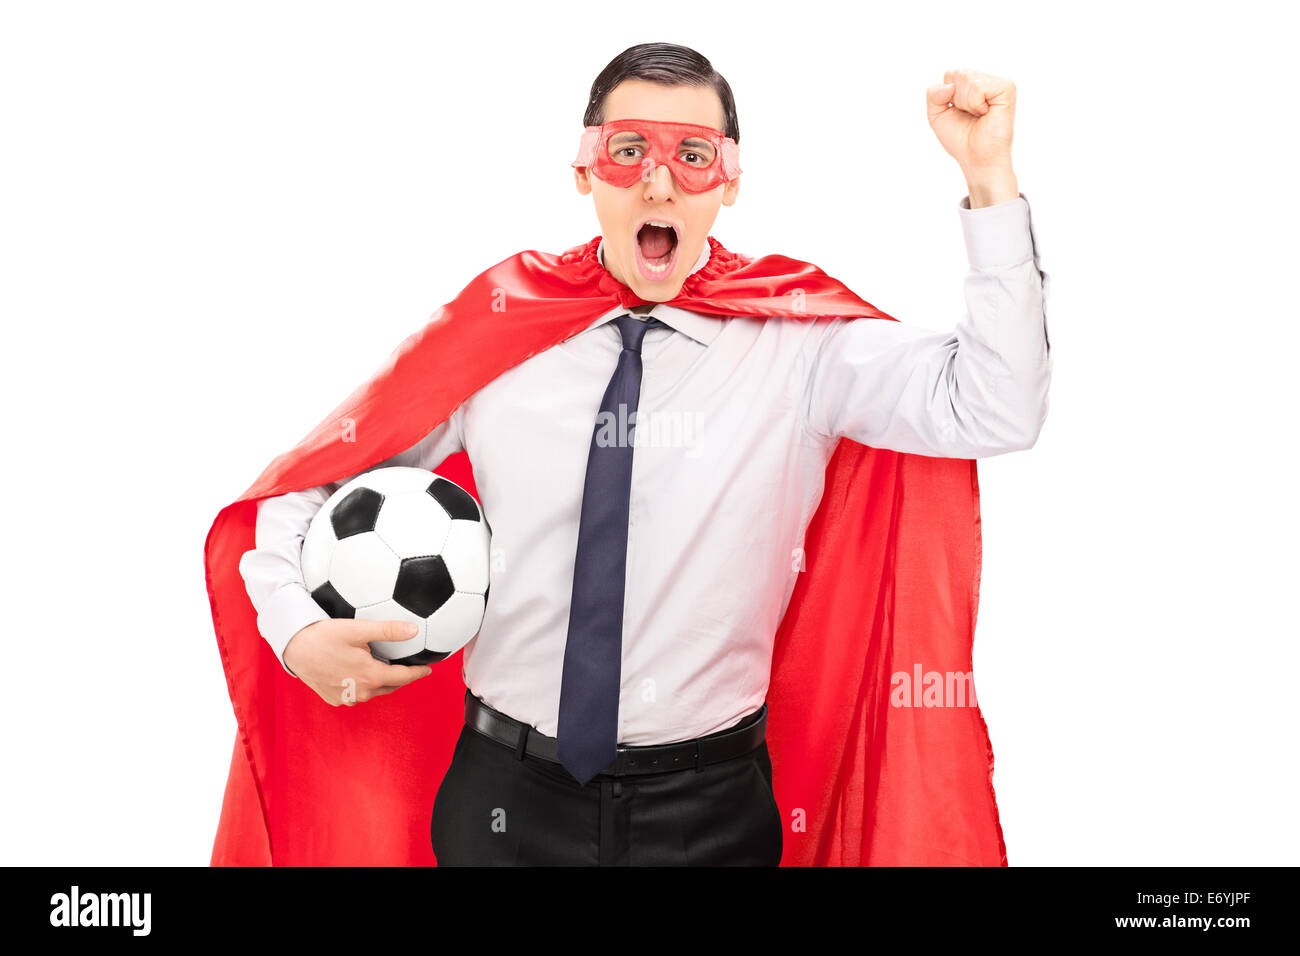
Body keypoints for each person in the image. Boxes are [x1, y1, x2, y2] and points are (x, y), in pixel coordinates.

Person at [227, 42, 1051, 866]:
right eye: (630, 152)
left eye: (693, 157)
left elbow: (993, 407)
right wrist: (295, 627)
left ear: (729, 183)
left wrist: (989, 180)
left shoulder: (801, 346)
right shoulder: (501, 327)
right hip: (504, 802)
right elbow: (320, 474)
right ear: (585, 171)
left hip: (709, 813)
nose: (660, 183)